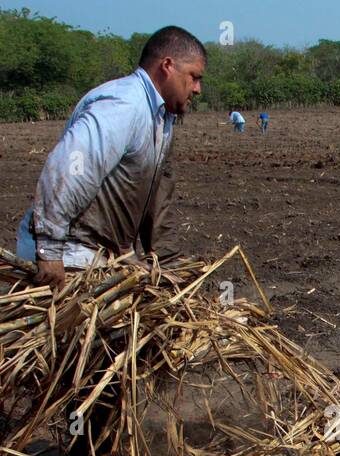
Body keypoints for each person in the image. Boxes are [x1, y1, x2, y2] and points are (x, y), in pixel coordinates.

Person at [16, 26, 205, 289]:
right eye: (194, 77)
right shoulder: (124, 104)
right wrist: (49, 250)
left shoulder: (163, 120)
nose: (197, 89)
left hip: (103, 256)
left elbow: (158, 199)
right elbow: (70, 169)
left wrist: (168, 266)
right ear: (167, 66)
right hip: (70, 251)